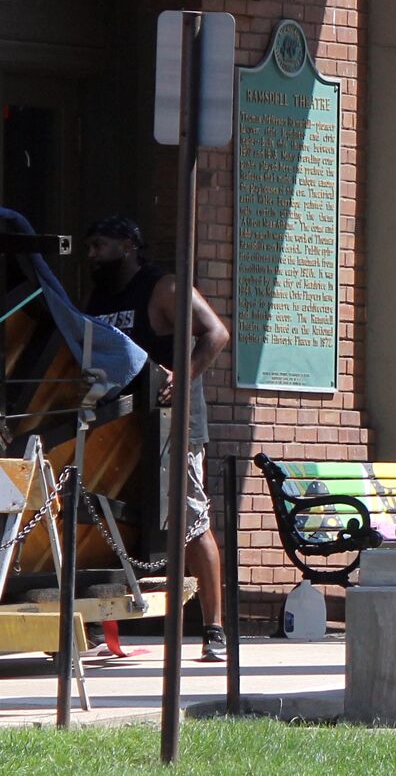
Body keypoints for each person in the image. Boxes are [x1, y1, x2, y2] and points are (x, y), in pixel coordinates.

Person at [81, 215, 231, 663]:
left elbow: (216, 332)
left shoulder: (162, 287)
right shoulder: (100, 295)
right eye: (89, 247)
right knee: (100, 516)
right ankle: (90, 624)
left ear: (128, 245)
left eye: (100, 245)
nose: (91, 255)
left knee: (190, 523)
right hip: (118, 425)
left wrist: (182, 377)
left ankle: (215, 629)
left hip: (174, 425)